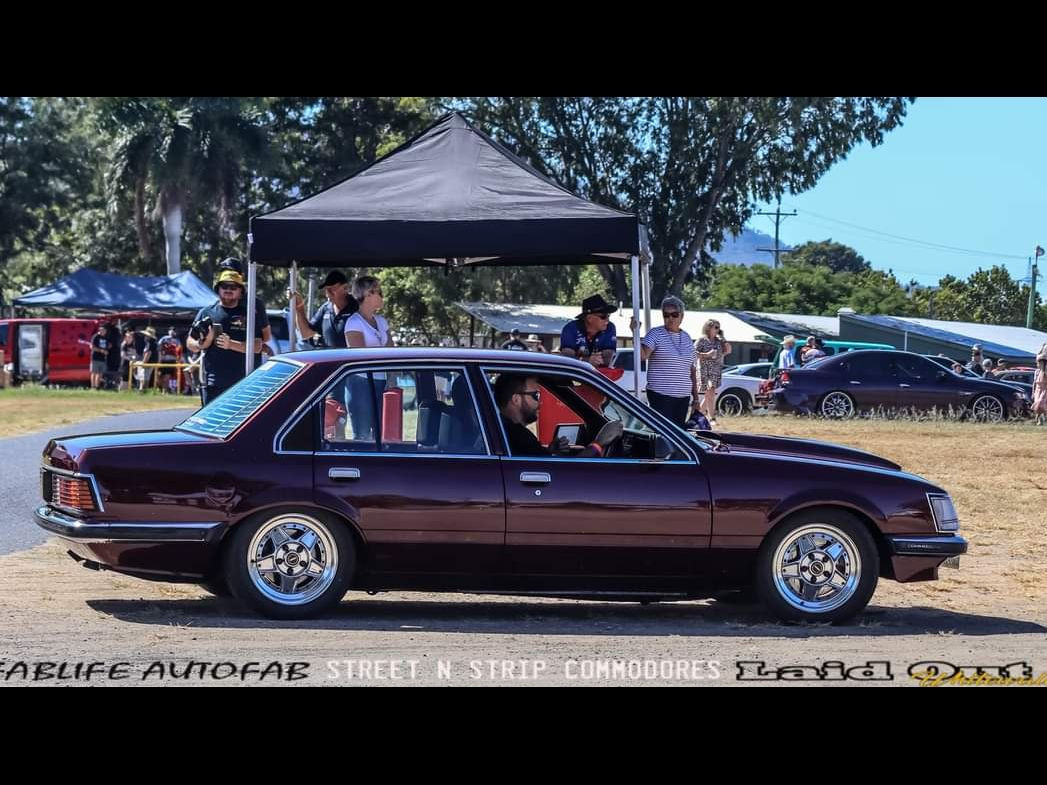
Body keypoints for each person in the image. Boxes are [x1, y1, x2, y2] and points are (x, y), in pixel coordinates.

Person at [187, 268, 271, 405]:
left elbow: (257, 346)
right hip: (213, 382)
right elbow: (190, 342)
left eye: (233, 287)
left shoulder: (250, 314)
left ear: (240, 291)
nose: (228, 290)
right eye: (224, 286)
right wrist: (202, 344)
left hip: (244, 382)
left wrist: (230, 344)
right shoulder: (206, 312)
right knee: (211, 418)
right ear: (218, 289)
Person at [494, 373, 621, 458]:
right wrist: (599, 443)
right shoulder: (517, 436)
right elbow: (565, 474)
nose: (540, 402)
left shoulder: (505, 431)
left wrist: (549, 451)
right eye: (536, 395)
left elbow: (537, 460)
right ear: (516, 399)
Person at [635, 296, 699, 427]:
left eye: (674, 315)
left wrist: (696, 399)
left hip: (683, 397)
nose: (670, 318)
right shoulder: (655, 333)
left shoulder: (687, 337)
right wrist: (635, 334)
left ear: (682, 316)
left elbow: (692, 371)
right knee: (664, 432)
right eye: (666, 315)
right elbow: (643, 356)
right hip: (660, 395)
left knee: (678, 433)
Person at [344, 276, 393, 439]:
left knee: (383, 434)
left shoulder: (382, 321)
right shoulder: (354, 323)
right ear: (367, 294)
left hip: (381, 381)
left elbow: (392, 353)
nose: (382, 296)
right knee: (363, 435)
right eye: (379, 292)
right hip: (361, 383)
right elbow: (360, 358)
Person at [292, 269, 358, 349]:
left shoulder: (357, 307)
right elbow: (306, 333)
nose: (328, 294)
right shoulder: (325, 308)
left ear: (345, 288)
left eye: (332, 290)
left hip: (351, 357)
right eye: (326, 290)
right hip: (328, 357)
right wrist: (299, 307)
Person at [559, 294, 617, 368]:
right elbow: (567, 358)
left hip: (598, 374)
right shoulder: (571, 328)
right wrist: (587, 360)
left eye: (608, 316)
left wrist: (583, 360)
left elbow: (608, 358)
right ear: (589, 318)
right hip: (574, 373)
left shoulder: (609, 328)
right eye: (603, 317)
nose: (607, 320)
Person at [696, 319, 731, 428]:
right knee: (710, 391)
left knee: (709, 394)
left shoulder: (719, 341)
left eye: (718, 328)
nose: (717, 330)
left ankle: (697, 415)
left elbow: (728, 350)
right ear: (708, 327)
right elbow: (693, 353)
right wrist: (707, 354)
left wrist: (723, 338)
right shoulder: (702, 340)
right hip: (705, 369)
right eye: (715, 327)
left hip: (716, 369)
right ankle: (712, 418)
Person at [89, 323, 109, 390]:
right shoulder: (95, 337)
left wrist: (106, 351)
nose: (103, 331)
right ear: (99, 330)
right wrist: (100, 350)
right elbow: (91, 347)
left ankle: (97, 387)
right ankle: (93, 387)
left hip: (103, 359)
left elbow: (106, 347)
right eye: (101, 330)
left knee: (100, 374)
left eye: (104, 330)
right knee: (94, 373)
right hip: (95, 358)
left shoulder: (106, 338)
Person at [138, 327, 159, 392]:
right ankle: (144, 391)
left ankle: (143, 391)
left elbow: (148, 353)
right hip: (151, 363)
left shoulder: (150, 343)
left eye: (146, 335)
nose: (145, 337)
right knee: (144, 378)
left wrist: (143, 362)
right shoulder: (153, 343)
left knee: (144, 378)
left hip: (148, 364)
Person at [118, 326, 137, 391]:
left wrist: (134, 359)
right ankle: (121, 391)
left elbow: (135, 354)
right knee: (124, 378)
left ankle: (128, 390)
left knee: (132, 378)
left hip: (132, 364)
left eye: (130, 337)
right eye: (128, 337)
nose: (129, 338)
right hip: (125, 364)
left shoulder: (134, 344)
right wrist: (130, 358)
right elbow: (122, 355)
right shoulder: (124, 344)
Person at [1032, 344, 1047, 426]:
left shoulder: (1045, 371)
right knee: (1037, 405)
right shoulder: (1037, 372)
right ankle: (1039, 420)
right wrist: (1033, 392)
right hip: (1038, 390)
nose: (1039, 364)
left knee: (1041, 403)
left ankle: (1043, 418)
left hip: (1044, 389)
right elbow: (1034, 383)